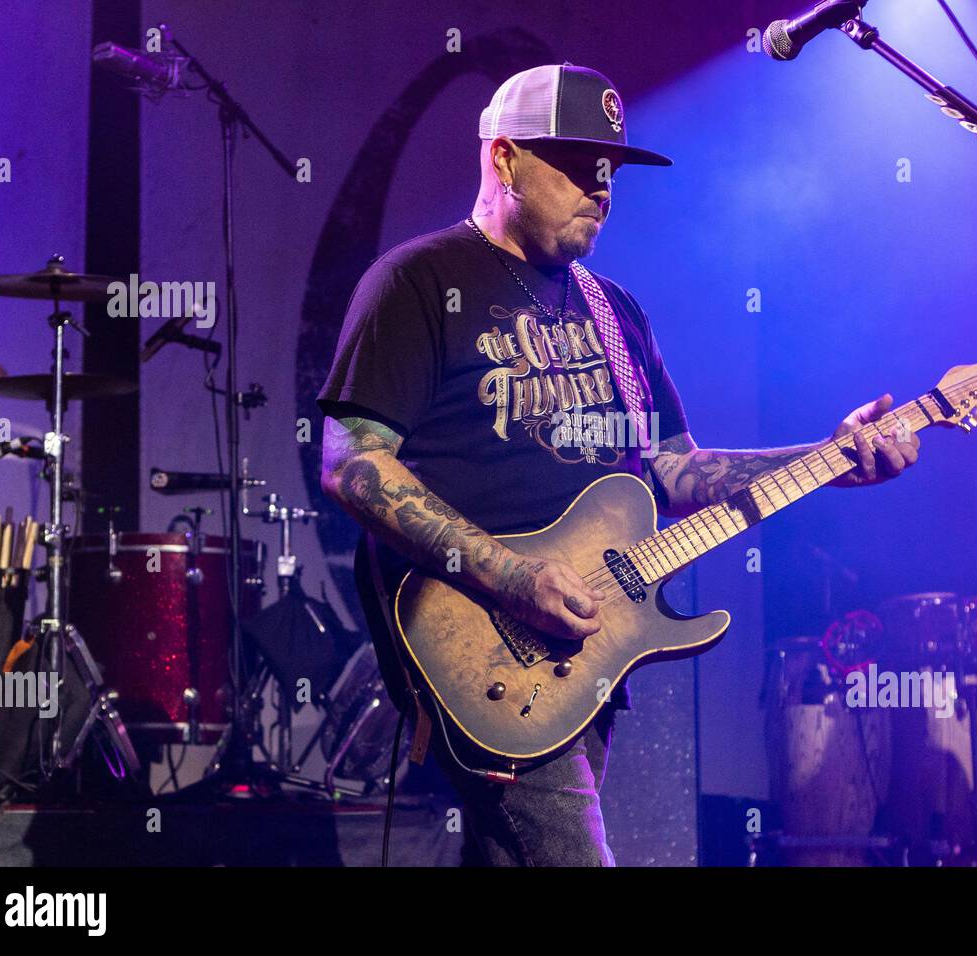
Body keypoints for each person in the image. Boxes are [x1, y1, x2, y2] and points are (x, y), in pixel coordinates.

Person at [317, 64, 920, 866]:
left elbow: (676, 471)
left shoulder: (615, 311)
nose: (600, 190)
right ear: (502, 159)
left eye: (610, 172)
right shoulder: (416, 282)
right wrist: (512, 578)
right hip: (476, 632)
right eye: (576, 167)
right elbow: (353, 462)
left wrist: (832, 458)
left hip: (585, 651)